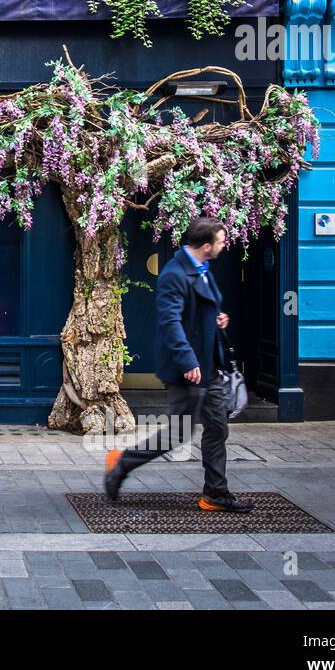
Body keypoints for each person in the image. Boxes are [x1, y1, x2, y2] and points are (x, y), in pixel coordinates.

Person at [104, 216, 253, 513]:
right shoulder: (175, 274)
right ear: (207, 245)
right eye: (222, 242)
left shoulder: (201, 269)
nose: (225, 247)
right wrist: (187, 360)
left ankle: (216, 494)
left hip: (208, 366)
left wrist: (217, 318)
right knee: (177, 434)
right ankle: (121, 465)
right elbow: (170, 321)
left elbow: (197, 311)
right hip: (189, 369)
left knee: (217, 428)